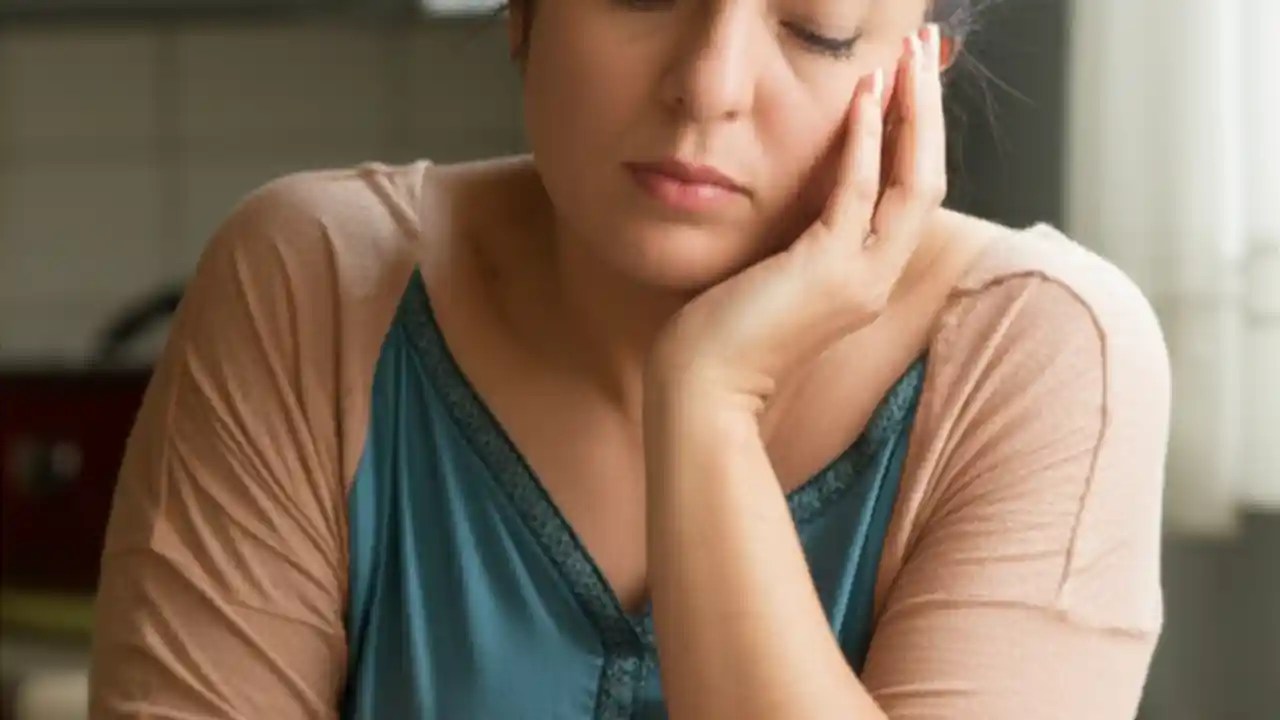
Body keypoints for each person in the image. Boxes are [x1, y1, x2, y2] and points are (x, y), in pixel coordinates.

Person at [88, 0, 1171, 717]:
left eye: (815, 26)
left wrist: (705, 402)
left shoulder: (1042, 354)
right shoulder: (314, 280)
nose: (709, 84)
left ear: (913, 75)